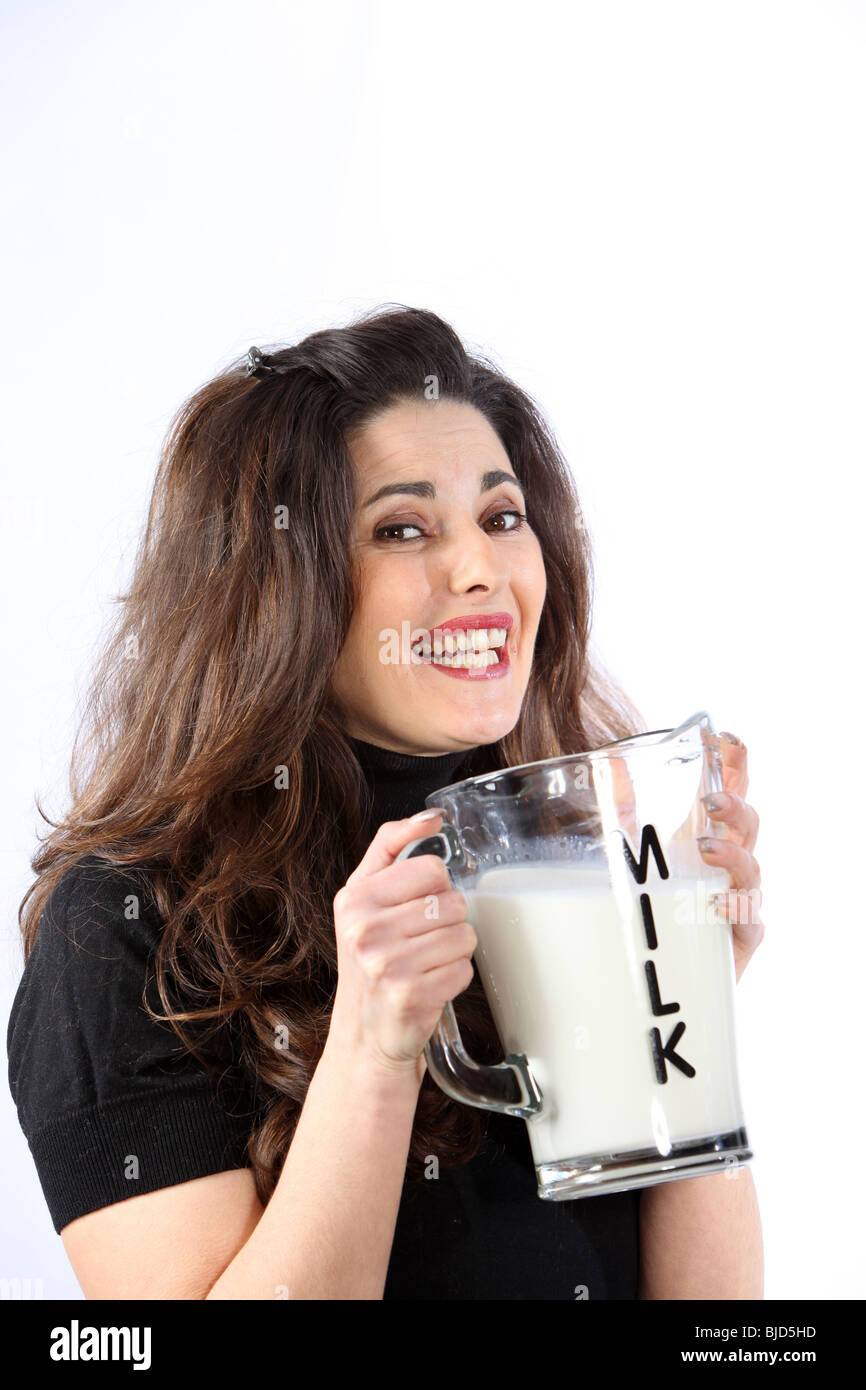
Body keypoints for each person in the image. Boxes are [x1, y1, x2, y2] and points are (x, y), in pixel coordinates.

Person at [7, 305, 764, 1299]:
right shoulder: (121, 934)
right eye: (402, 528)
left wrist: (686, 1004)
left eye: (501, 517)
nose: (480, 567)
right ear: (277, 586)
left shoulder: (571, 855)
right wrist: (374, 1044)